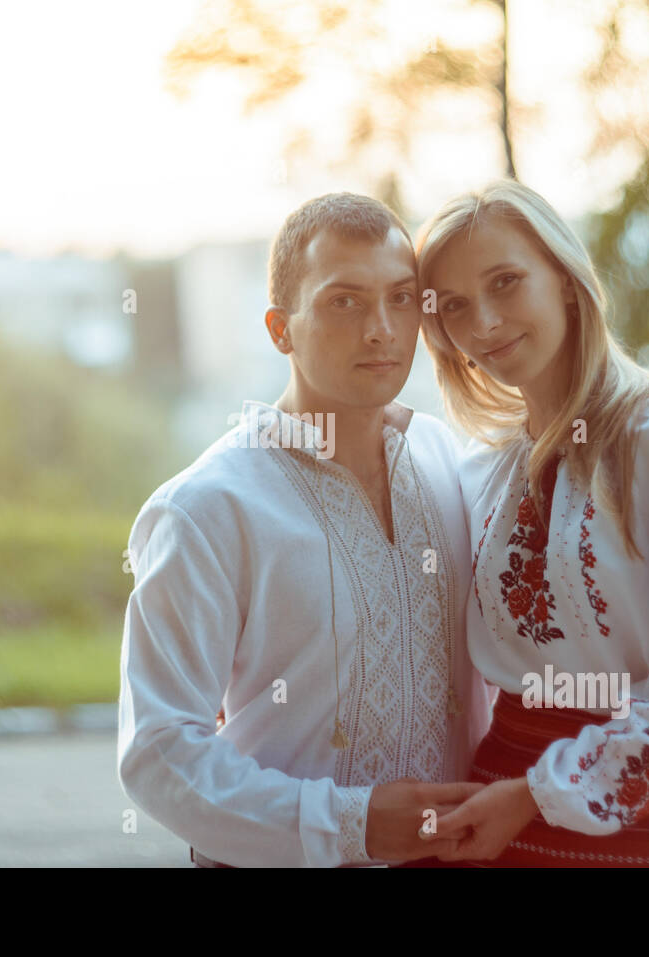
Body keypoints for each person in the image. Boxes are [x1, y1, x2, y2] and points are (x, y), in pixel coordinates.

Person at [117, 193, 491, 867]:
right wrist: (352, 824)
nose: (381, 328)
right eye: (344, 301)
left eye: (402, 298)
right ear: (279, 328)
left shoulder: (448, 459)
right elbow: (157, 749)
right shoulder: (207, 508)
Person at [414, 180, 649, 867]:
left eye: (506, 282)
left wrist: (543, 791)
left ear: (567, 280)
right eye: (454, 306)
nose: (483, 323)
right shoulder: (479, 473)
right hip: (498, 803)